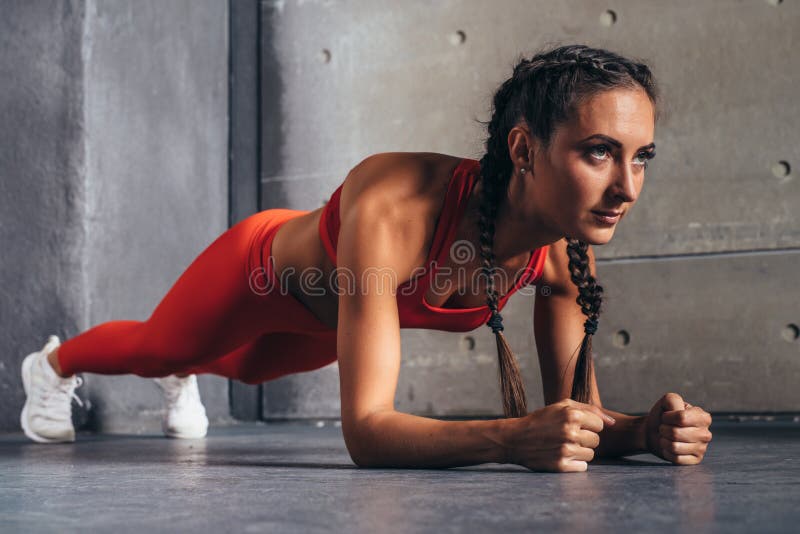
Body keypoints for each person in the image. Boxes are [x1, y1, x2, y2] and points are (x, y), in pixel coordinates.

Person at [20, 44, 712, 472]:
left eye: (641, 158)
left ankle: (189, 372)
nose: (627, 187)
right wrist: (507, 440)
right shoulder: (394, 204)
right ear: (525, 150)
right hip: (259, 274)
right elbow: (368, 433)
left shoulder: (559, 255)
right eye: (600, 152)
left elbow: (574, 417)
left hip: (332, 326)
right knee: (157, 348)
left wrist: (643, 432)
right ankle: (52, 365)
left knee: (244, 366)